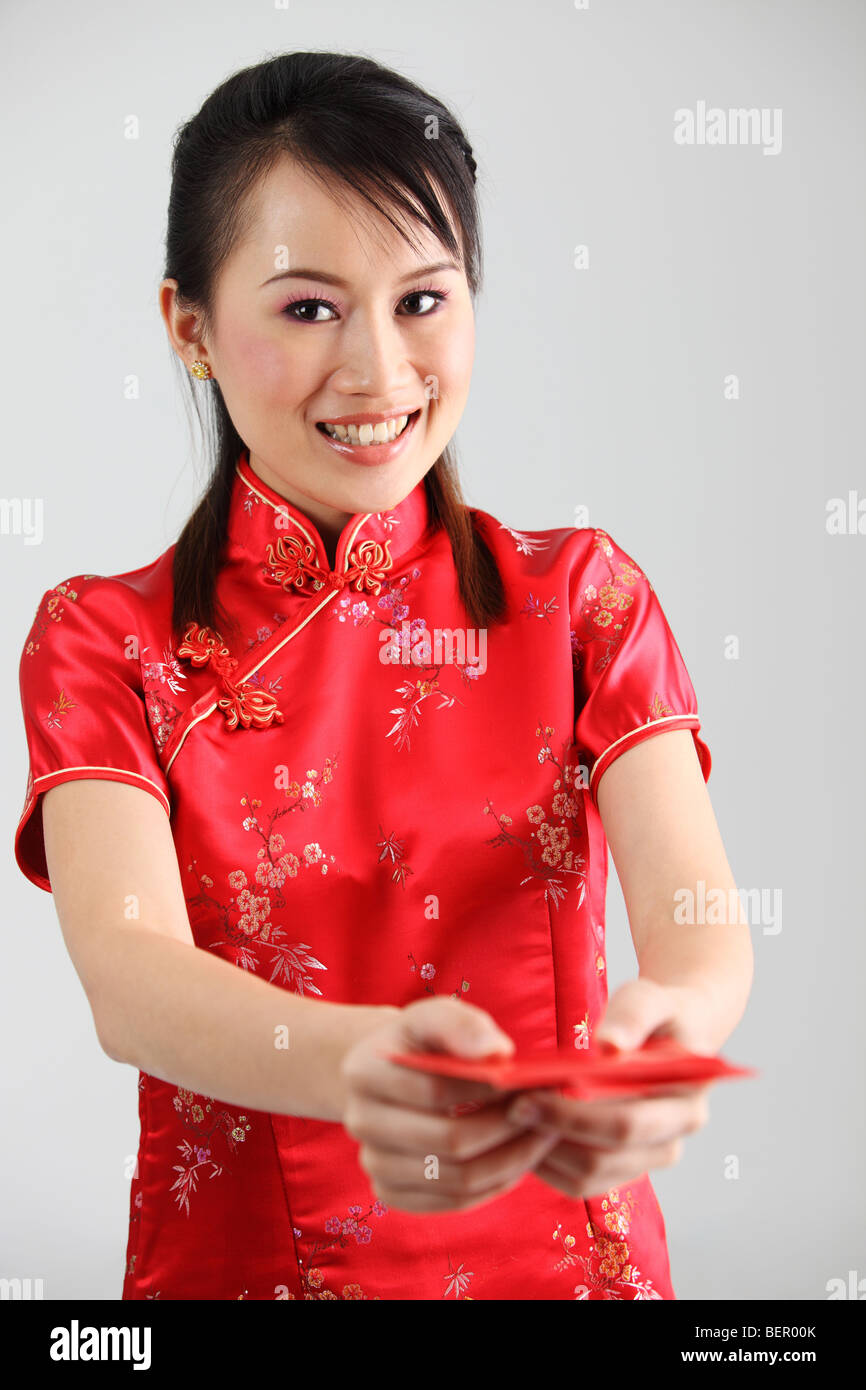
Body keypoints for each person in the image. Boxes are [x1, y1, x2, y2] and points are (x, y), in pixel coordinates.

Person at [14, 51, 753, 1301]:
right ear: (188, 326)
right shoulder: (106, 638)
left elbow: (695, 928)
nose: (378, 371)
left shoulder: (581, 598)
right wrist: (359, 1059)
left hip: (570, 1262)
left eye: (422, 299)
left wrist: (655, 1041)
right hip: (247, 1272)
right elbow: (128, 977)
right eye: (309, 308)